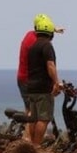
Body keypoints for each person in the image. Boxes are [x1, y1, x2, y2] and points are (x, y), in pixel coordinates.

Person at [21, 15, 64, 144]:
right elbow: (50, 66)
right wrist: (57, 82)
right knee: (43, 118)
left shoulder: (33, 47)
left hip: (31, 87)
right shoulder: (47, 46)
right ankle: (37, 146)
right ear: (50, 33)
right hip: (43, 88)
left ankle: (32, 147)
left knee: (33, 118)